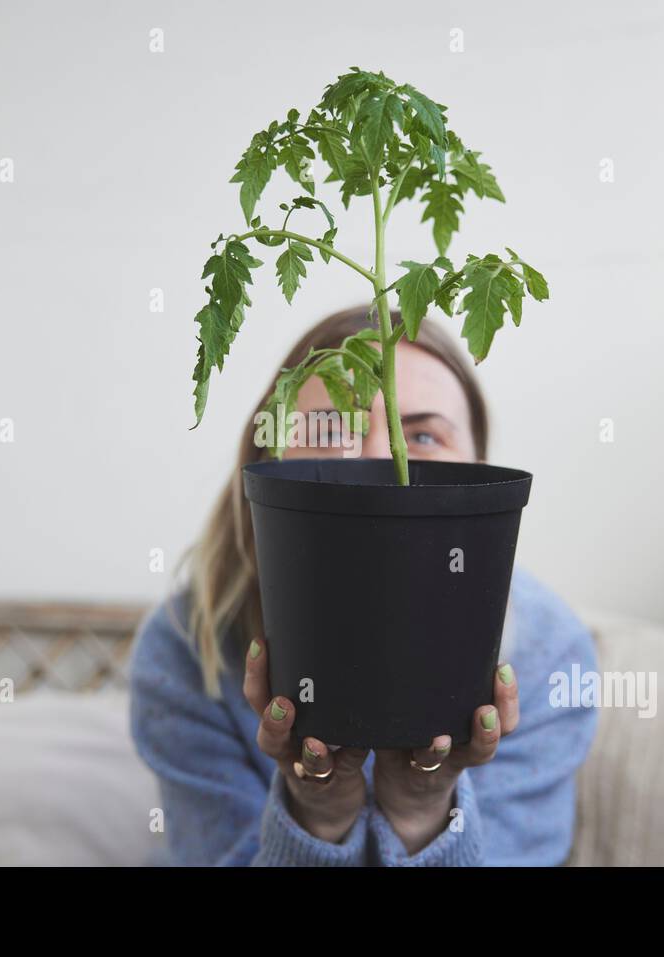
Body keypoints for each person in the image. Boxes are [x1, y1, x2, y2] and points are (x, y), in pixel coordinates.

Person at [128, 304, 599, 865]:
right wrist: (315, 816)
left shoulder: (548, 652)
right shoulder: (187, 648)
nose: (375, 465)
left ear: (477, 470)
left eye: (421, 435)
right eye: (329, 430)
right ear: (267, 463)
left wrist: (423, 813)